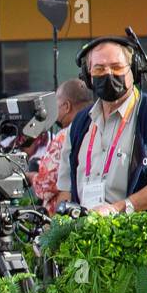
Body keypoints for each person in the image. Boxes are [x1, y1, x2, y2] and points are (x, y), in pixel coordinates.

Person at [55, 36, 147, 214]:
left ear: (134, 70)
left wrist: (117, 209)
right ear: (87, 76)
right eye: (99, 69)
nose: (108, 74)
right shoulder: (79, 124)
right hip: (86, 236)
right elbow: (65, 190)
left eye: (117, 67)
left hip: (139, 236)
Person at [33, 78, 94, 213]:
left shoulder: (64, 136)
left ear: (66, 107)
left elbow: (45, 186)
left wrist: (31, 177)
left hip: (63, 215)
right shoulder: (97, 130)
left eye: (56, 105)